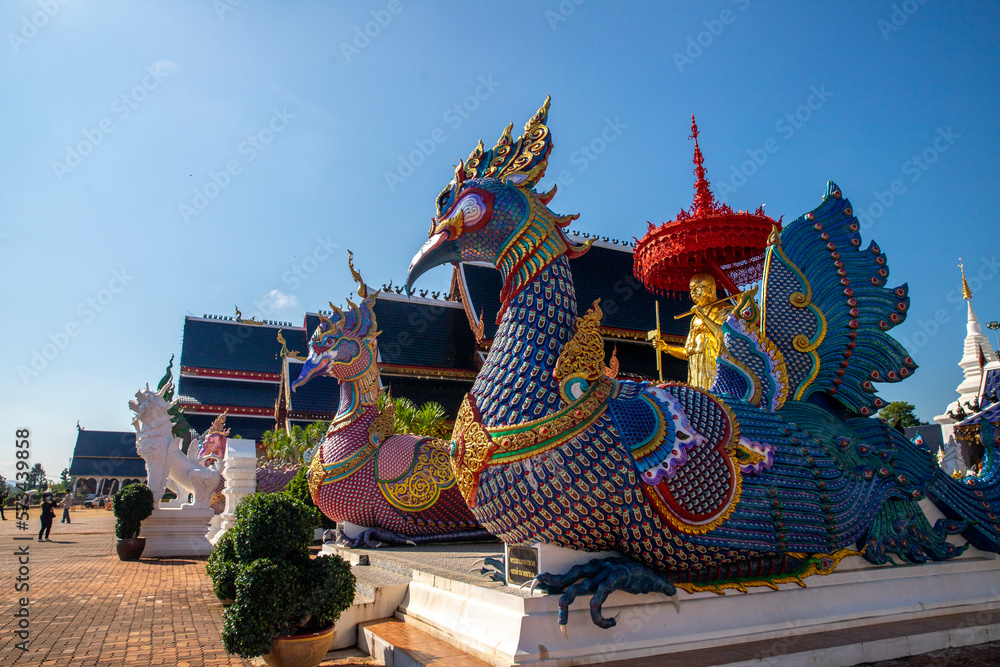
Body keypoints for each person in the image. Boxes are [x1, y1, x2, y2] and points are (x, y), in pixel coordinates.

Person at [655, 273, 733, 391]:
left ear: (711, 288)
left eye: (697, 288)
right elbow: (689, 352)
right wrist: (666, 348)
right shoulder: (695, 319)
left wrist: (703, 316)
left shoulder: (725, 311)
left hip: (716, 372)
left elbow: (724, 336)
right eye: (691, 290)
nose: (693, 294)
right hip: (696, 374)